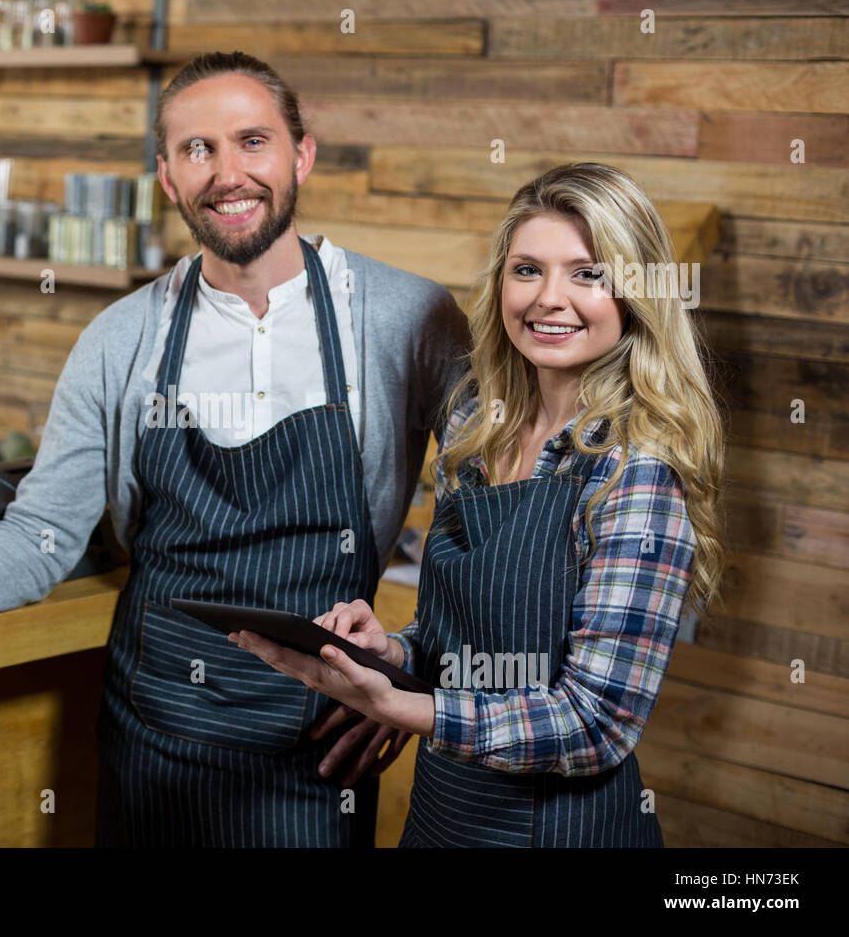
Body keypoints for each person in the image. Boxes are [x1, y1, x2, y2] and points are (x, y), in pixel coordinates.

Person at [0, 51, 471, 847]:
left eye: (253, 142)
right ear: (168, 177)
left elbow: (489, 513)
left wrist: (417, 665)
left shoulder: (406, 318)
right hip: (153, 732)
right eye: (198, 149)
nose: (228, 172)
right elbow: (40, 535)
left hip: (318, 748)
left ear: (302, 155)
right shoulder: (121, 339)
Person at [235, 162, 725, 847]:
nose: (550, 298)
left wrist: (414, 709)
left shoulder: (635, 472)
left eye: (588, 274)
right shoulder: (476, 433)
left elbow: (595, 724)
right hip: (445, 817)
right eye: (528, 270)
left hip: (559, 831)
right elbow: (455, 649)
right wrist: (387, 655)